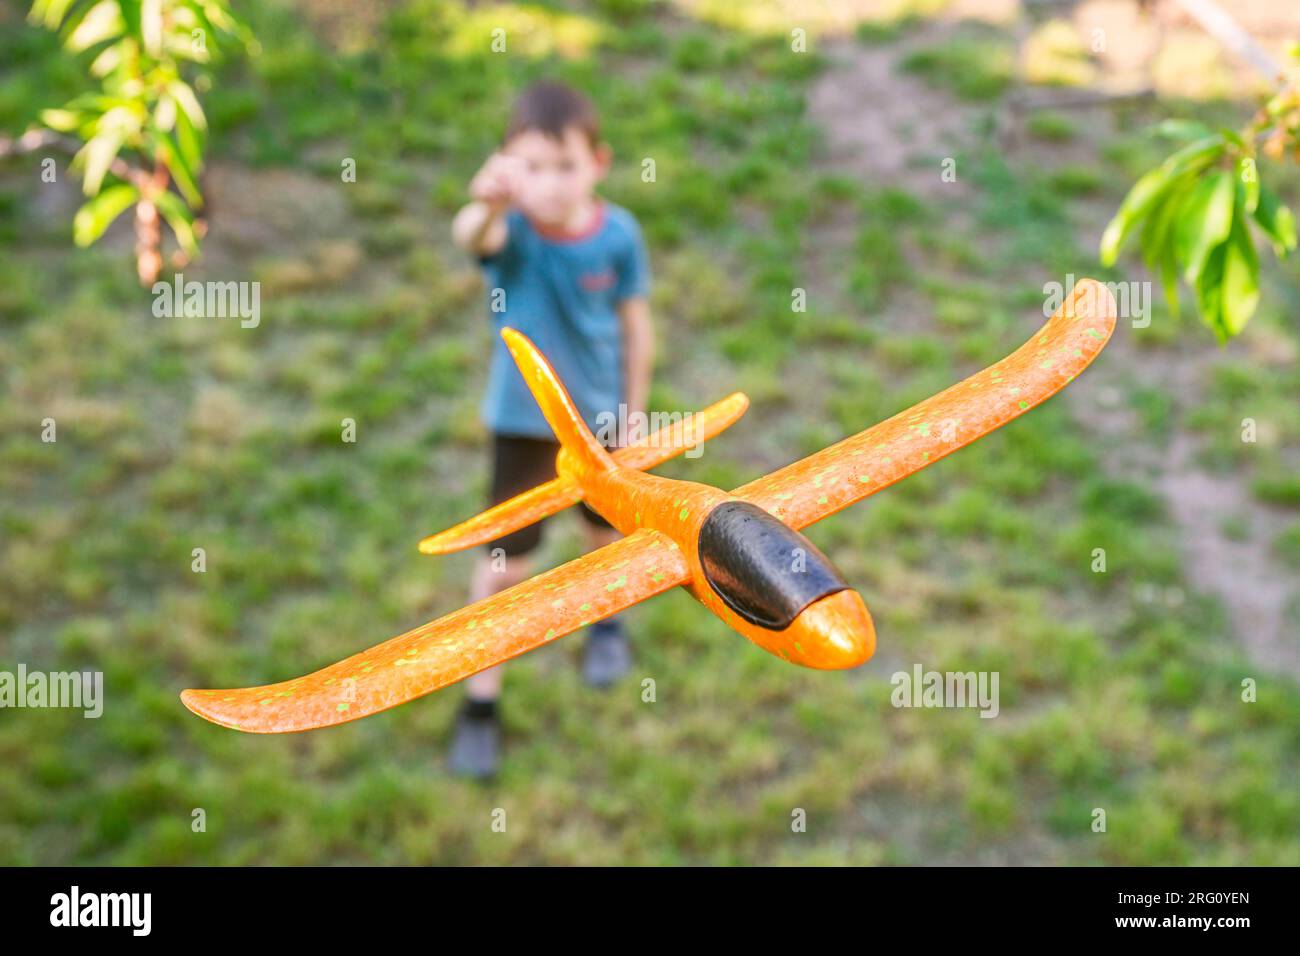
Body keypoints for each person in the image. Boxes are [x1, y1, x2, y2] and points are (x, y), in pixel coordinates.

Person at [446, 81, 655, 779]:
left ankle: (608, 625)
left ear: (598, 162)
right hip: (523, 428)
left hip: (598, 423)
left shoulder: (619, 234)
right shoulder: (514, 237)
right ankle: (481, 702)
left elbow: (635, 326)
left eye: (565, 165)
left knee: (606, 538)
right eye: (531, 166)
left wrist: (633, 410)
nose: (551, 183)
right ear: (509, 166)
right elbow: (469, 236)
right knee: (507, 566)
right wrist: (488, 202)